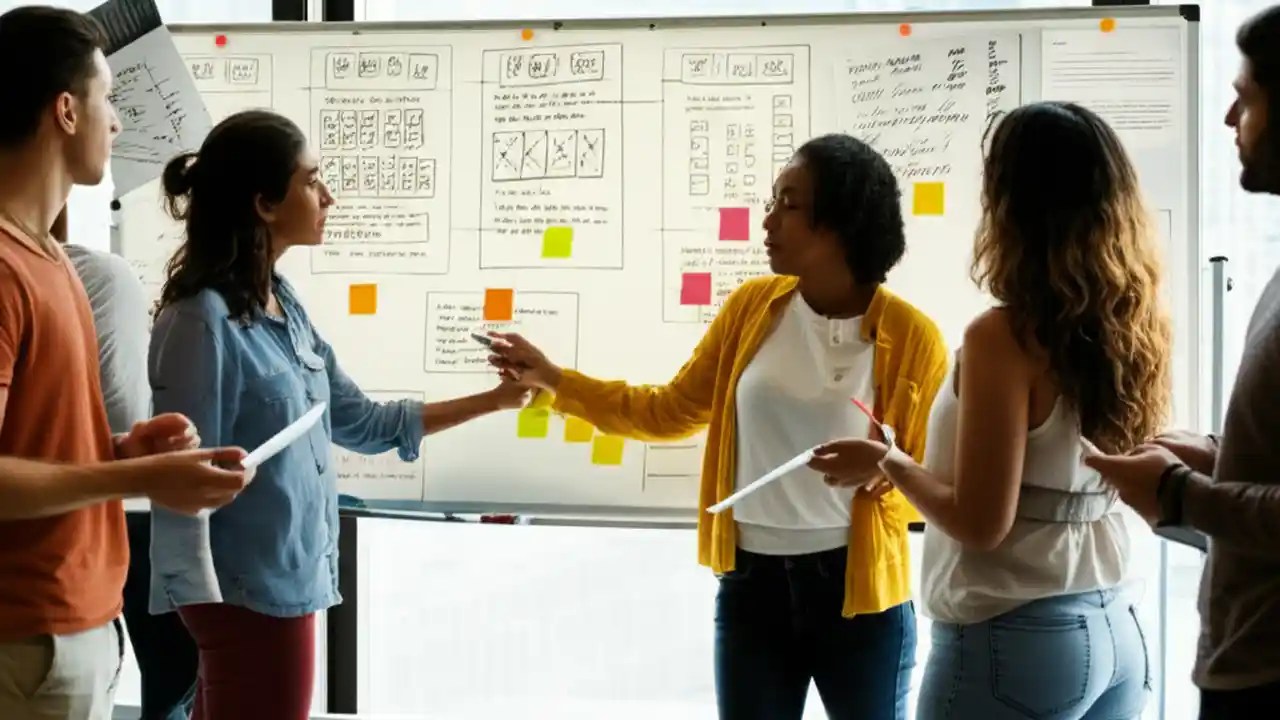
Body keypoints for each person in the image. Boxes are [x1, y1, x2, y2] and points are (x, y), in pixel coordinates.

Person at [489, 133, 947, 720]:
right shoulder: (753, 308)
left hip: (860, 596)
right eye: (771, 201)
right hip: (752, 587)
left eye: (788, 203)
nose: (768, 219)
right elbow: (667, 409)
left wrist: (889, 466)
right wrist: (554, 380)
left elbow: (936, 489)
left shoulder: (914, 337)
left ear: (839, 223)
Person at [148, 108, 531, 720]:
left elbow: (364, 423)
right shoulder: (200, 322)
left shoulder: (283, 303)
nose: (329, 194)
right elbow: (183, 482)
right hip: (245, 593)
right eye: (311, 179)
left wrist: (495, 400)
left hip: (289, 578)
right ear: (265, 204)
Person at [810, 102, 1171, 719]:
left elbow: (981, 524)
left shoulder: (1002, 338)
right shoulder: (1134, 323)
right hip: (1117, 626)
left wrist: (888, 461)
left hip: (1015, 640)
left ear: (1014, 206)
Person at [0, 7, 251, 719]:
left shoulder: (54, 262)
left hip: (75, 624)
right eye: (108, 97)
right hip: (25, 641)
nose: (118, 122)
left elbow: (28, 446)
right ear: (67, 110)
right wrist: (139, 475)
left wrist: (120, 448)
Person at [1085, 6, 1280, 717]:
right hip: (1241, 657)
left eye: (1250, 97)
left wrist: (1177, 494)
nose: (1231, 116)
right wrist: (1216, 455)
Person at [53, 205, 199, 720]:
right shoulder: (97, 278)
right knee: (174, 678)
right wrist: (134, 467)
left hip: (112, 521)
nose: (115, 122)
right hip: (111, 530)